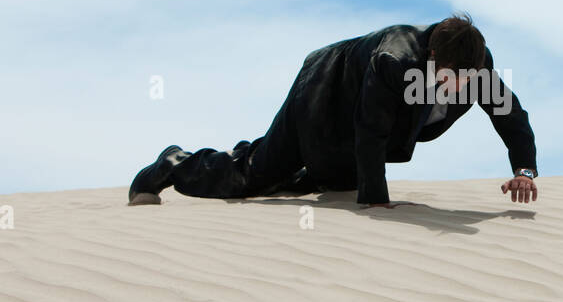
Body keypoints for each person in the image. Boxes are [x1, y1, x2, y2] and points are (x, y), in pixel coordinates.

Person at [127, 13, 539, 209]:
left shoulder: (475, 67)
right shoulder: (394, 60)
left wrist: (523, 171)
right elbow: (371, 128)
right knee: (252, 178)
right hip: (322, 93)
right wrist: (376, 200)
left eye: (468, 80)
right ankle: (171, 164)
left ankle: (262, 153)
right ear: (431, 57)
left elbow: (511, 116)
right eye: (452, 78)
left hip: (354, 124)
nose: (461, 88)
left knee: (325, 180)